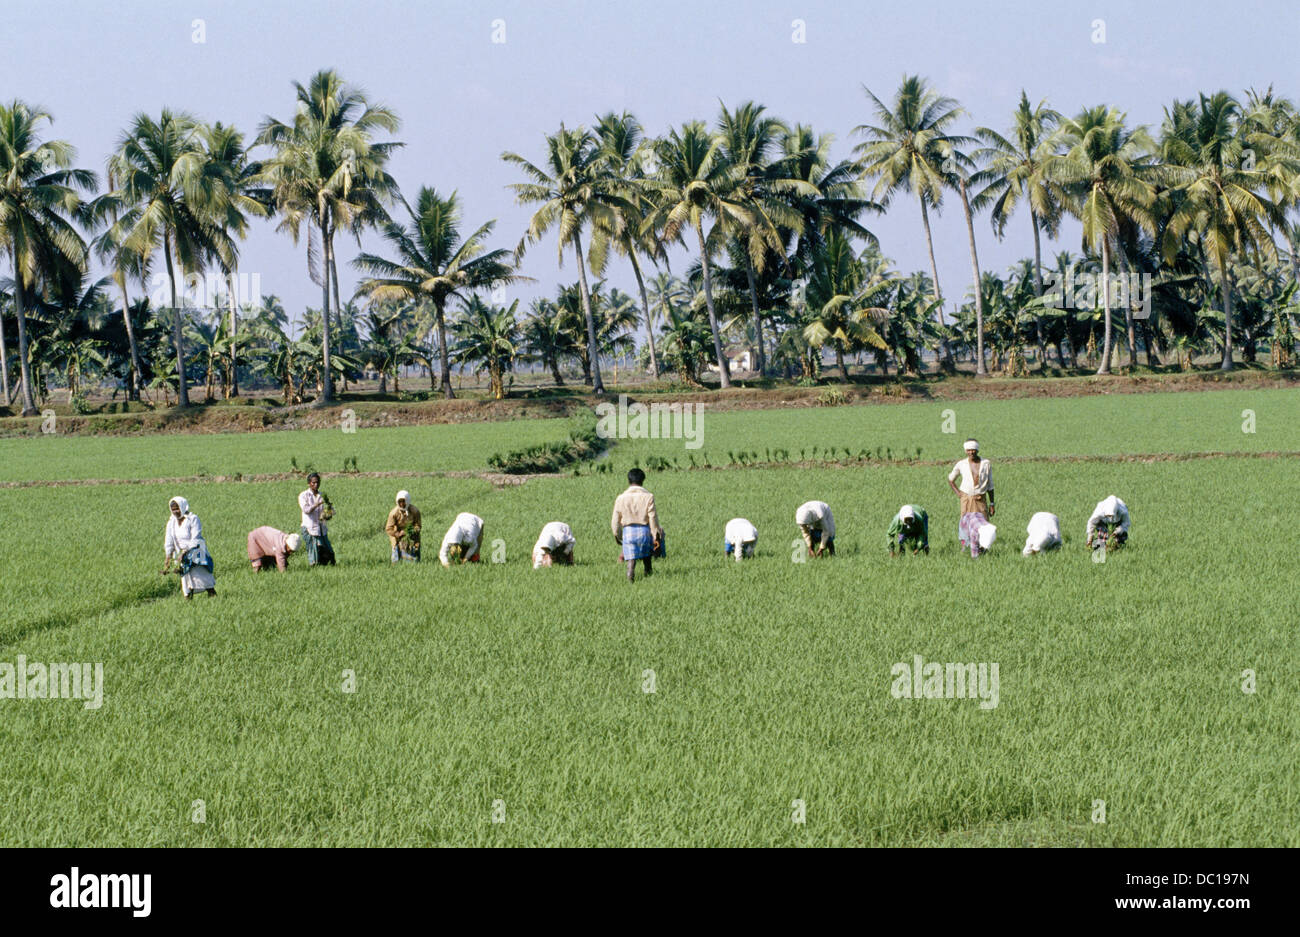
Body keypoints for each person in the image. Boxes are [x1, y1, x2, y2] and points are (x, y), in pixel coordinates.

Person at [611, 468, 665, 582]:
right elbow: (653, 518)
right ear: (642, 481)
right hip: (644, 531)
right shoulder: (648, 496)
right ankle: (649, 577)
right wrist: (656, 535)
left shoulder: (620, 498)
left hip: (628, 532)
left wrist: (618, 535)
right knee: (647, 559)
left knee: (631, 561)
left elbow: (615, 521)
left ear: (629, 481)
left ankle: (630, 579)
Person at [162, 496, 216, 598]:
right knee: (186, 579)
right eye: (173, 510)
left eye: (177, 509)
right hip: (181, 555)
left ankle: (212, 595)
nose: (175, 512)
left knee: (201, 577)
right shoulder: (171, 522)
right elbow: (169, 540)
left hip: (196, 552)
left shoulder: (192, 519)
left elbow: (196, 537)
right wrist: (168, 556)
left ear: (183, 507)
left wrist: (185, 551)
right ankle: (188, 600)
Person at [948, 438, 994, 544]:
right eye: (968, 450)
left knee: (983, 523)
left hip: (980, 499)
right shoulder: (961, 464)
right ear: (965, 451)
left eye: (973, 449)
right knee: (965, 523)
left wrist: (992, 503)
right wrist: (959, 494)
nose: (971, 452)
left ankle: (983, 547)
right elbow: (951, 479)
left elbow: (990, 485)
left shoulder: (986, 463)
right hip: (966, 498)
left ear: (977, 450)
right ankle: (966, 547)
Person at [298, 472, 336, 566]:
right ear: (309, 483)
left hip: (321, 529)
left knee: (328, 552)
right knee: (314, 552)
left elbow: (332, 512)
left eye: (318, 482)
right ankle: (314, 567)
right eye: (313, 482)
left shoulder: (322, 495)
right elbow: (306, 510)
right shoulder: (304, 495)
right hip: (309, 528)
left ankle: (327, 567)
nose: (316, 484)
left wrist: (329, 512)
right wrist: (317, 504)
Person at [385, 490, 422, 563]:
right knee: (396, 552)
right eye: (400, 502)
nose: (402, 504)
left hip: (412, 534)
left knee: (414, 552)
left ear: (407, 501)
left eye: (403, 501)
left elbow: (418, 526)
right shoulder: (393, 513)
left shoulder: (414, 511)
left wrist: (408, 532)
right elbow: (389, 528)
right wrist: (398, 534)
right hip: (396, 535)